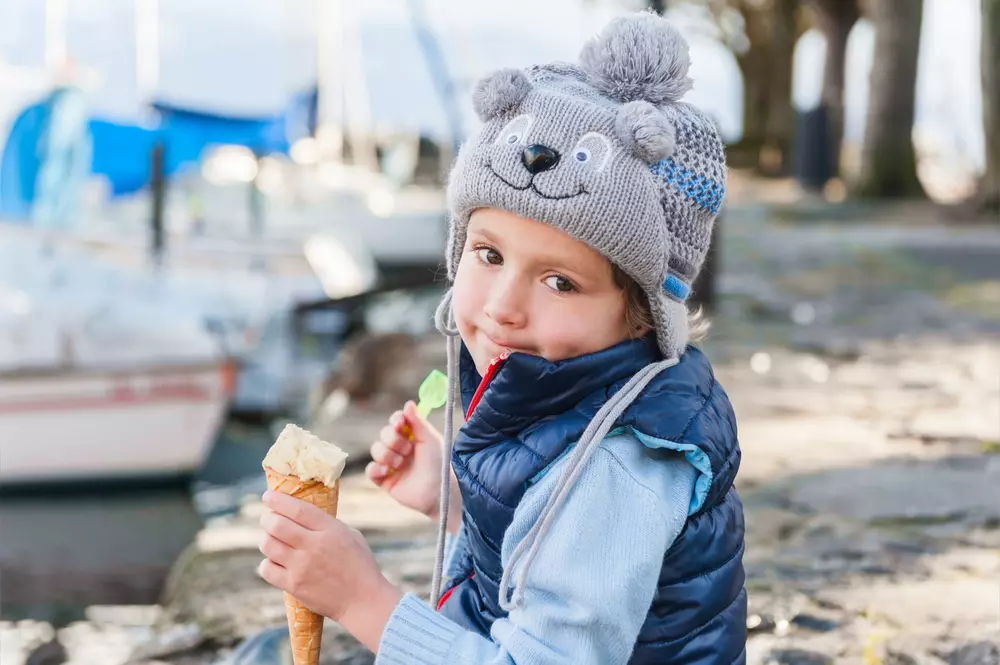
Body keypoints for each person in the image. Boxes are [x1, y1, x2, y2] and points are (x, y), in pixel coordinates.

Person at [257, 11, 746, 664]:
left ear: (640, 318)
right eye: (488, 256)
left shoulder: (617, 464)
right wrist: (456, 500)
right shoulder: (567, 389)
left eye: (560, 282)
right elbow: (546, 559)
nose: (503, 308)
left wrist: (360, 598)